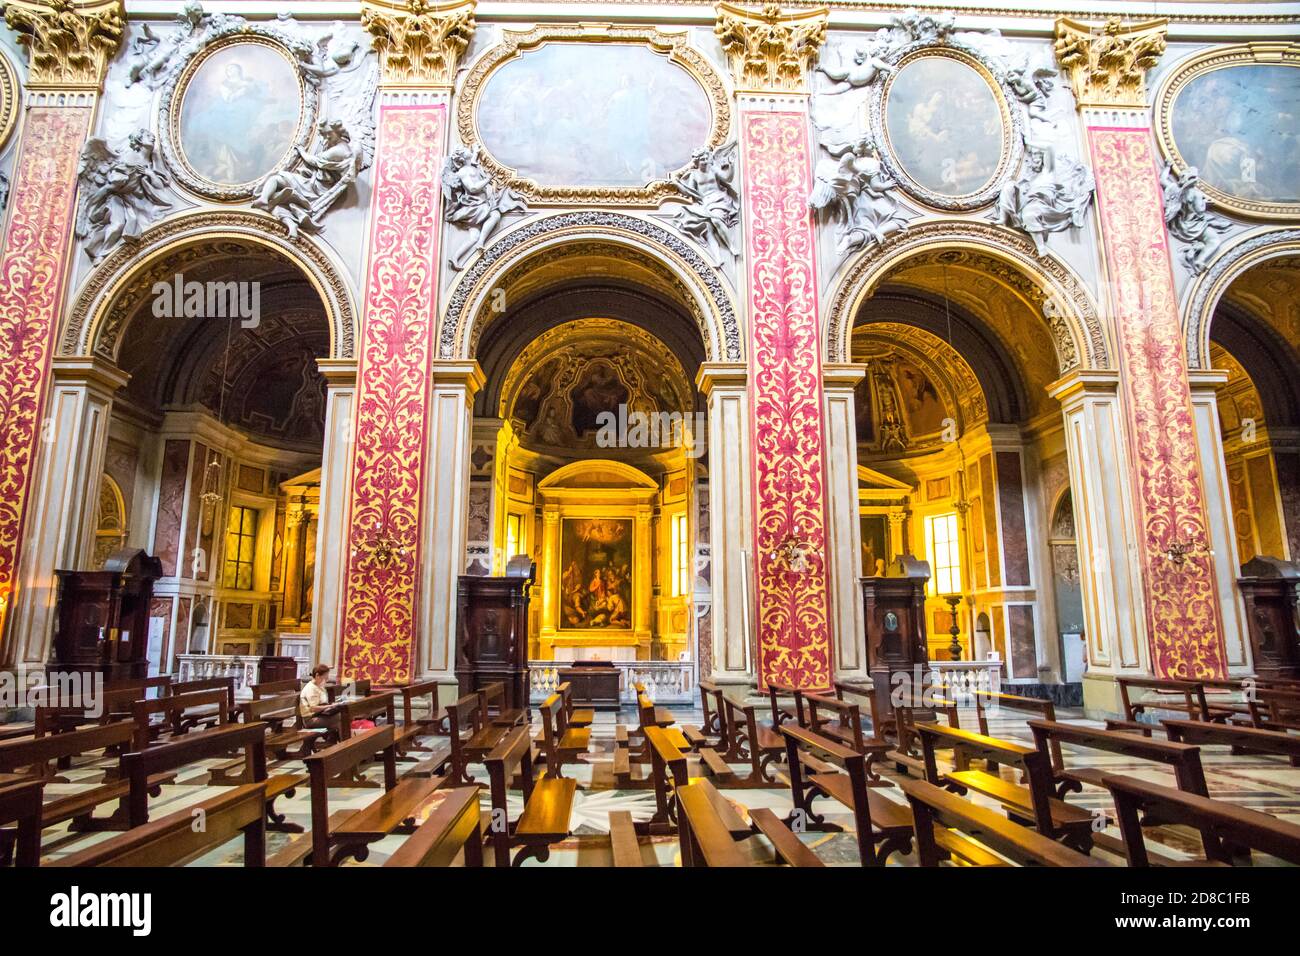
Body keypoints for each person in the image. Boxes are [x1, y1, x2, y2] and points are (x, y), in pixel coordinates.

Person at [299, 664, 336, 729]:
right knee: (339, 719)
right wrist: (329, 706)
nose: (326, 680)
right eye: (325, 677)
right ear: (317, 675)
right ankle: (335, 738)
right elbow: (313, 708)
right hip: (311, 719)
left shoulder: (319, 686)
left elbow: (322, 702)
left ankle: (332, 738)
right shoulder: (310, 688)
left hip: (320, 715)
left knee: (341, 716)